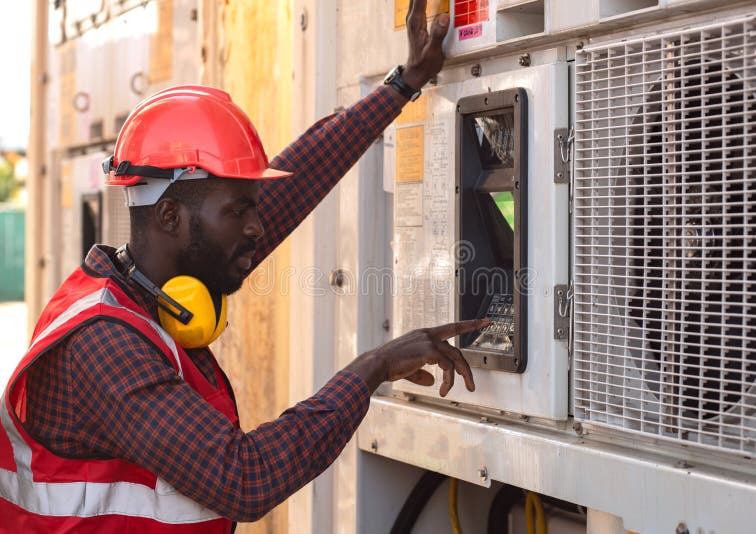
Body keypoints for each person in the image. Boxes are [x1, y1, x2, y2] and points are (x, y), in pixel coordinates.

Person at [0, 1, 487, 531]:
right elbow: (243, 480)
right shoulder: (103, 344)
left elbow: (298, 178)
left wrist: (402, 83)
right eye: (239, 210)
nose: (257, 227)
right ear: (170, 216)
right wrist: (372, 368)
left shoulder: (157, 284)